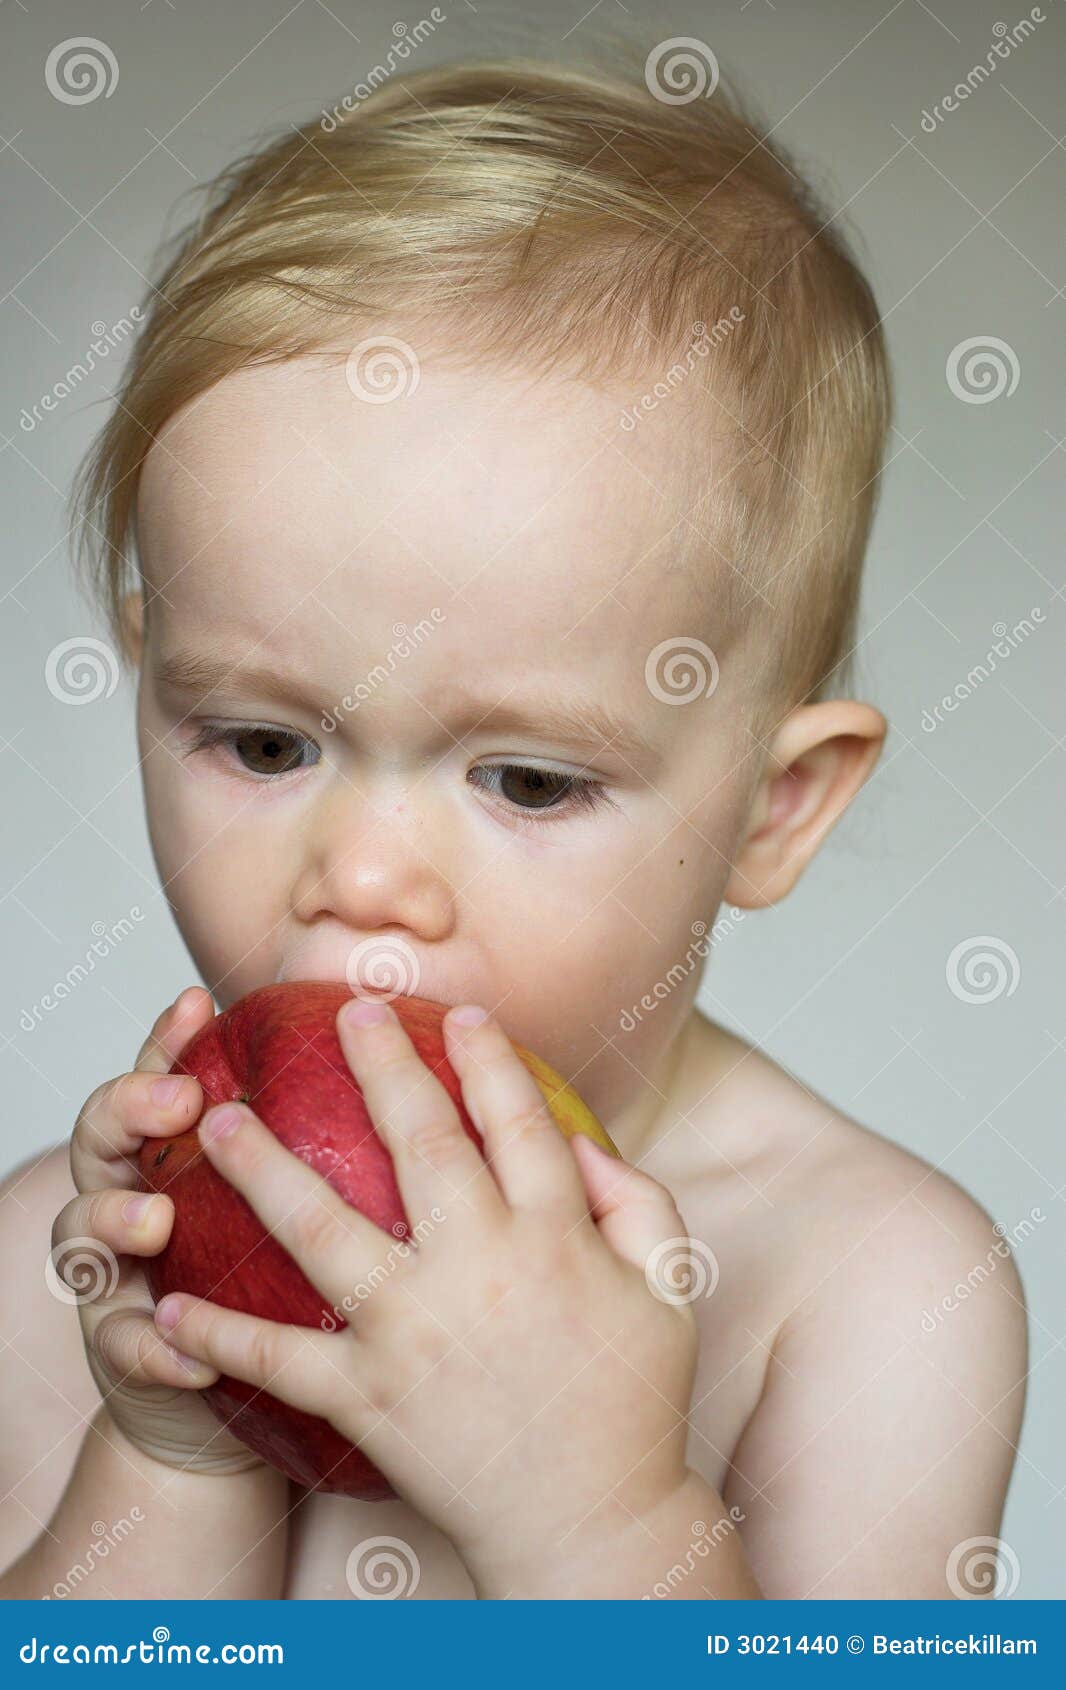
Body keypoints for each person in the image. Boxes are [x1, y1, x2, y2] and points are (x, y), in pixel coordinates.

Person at [0, 52, 1026, 1600]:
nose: (359, 876)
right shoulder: (84, 1250)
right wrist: (172, 1443)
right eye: (264, 740)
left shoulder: (870, 1285)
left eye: (529, 779)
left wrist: (599, 1517)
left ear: (772, 805)